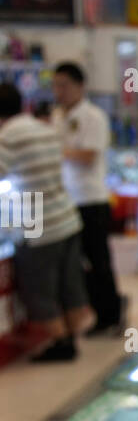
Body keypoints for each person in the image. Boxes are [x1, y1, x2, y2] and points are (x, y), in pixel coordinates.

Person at [0, 82, 93, 361]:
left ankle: (62, 343)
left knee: (39, 289)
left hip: (37, 221)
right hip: (65, 215)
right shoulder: (44, 128)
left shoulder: (8, 137)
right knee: (69, 284)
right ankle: (70, 338)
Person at [52, 62, 125, 335]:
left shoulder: (93, 117)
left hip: (91, 200)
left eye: (64, 86)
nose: (59, 92)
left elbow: (89, 155)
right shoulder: (57, 116)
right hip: (66, 201)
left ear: (80, 86)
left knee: (98, 261)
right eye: (56, 86)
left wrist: (57, 151)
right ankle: (93, 311)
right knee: (77, 264)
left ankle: (111, 315)